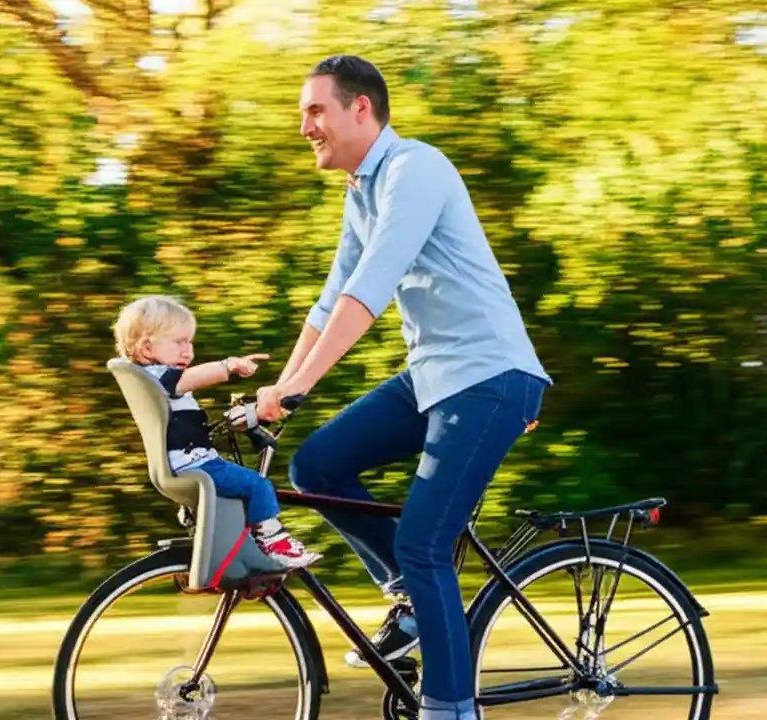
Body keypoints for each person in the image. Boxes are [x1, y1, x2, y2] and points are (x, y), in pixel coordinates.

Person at [254, 55, 551, 720]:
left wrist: (301, 385)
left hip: (489, 377)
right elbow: (331, 302)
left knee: (424, 541)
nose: (304, 126)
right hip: (435, 379)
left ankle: (449, 708)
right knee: (319, 463)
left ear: (361, 109)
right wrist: (277, 388)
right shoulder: (361, 190)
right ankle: (412, 601)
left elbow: (371, 289)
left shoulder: (415, 169)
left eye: (315, 111)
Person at [113, 295, 320, 569]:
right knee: (257, 485)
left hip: (188, 462)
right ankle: (274, 542)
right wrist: (228, 366)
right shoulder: (162, 376)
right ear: (147, 347)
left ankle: (250, 545)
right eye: (179, 342)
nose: (188, 351)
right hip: (196, 465)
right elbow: (191, 379)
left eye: (190, 342)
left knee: (244, 486)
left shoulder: (155, 379)